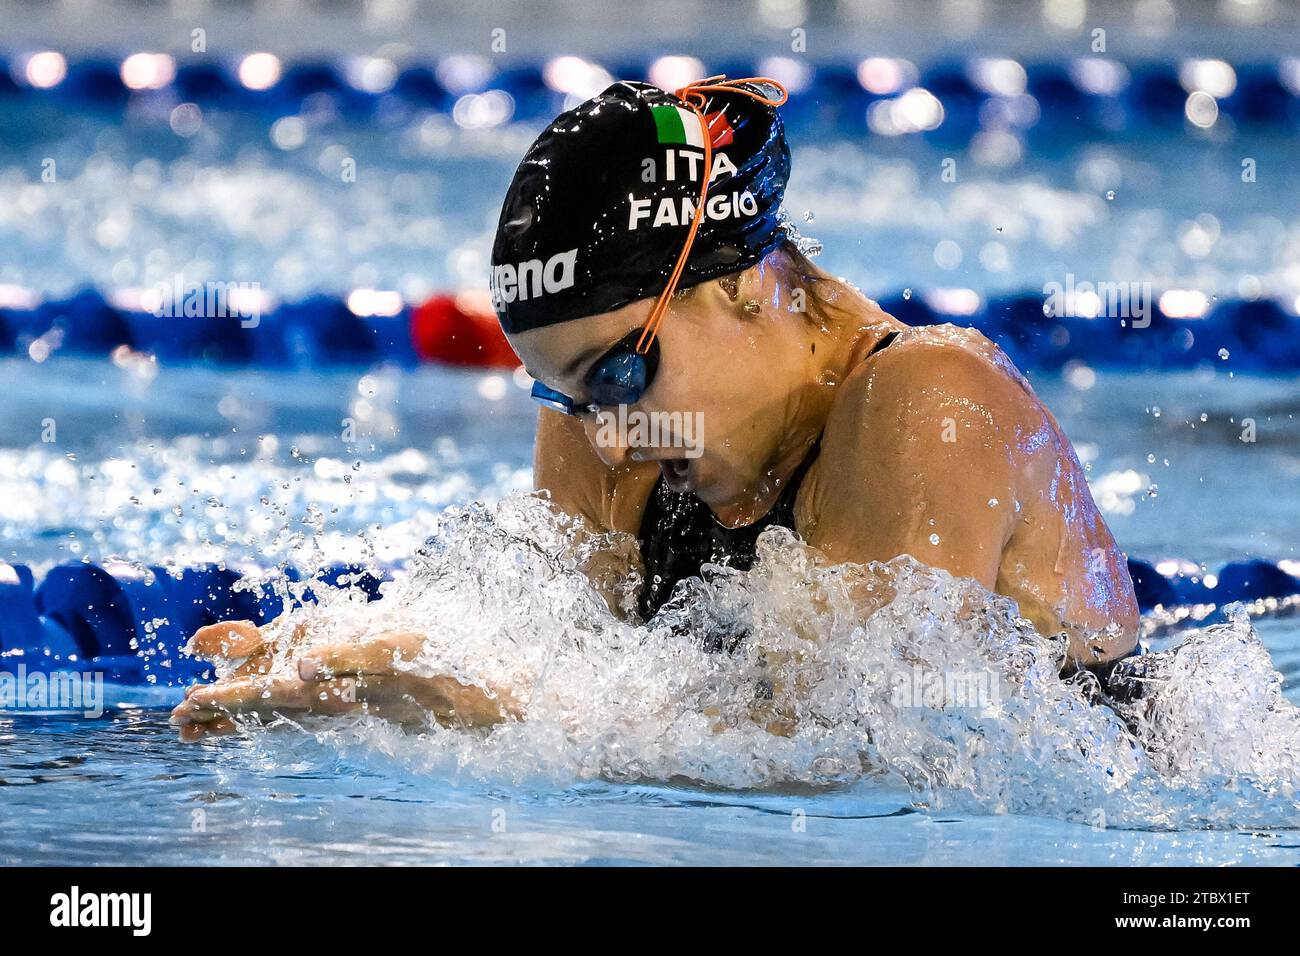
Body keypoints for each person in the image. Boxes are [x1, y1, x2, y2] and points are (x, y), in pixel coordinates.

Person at [171, 75, 1140, 741]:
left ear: (746, 285)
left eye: (619, 375)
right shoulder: (609, 421)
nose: (603, 432)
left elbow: (869, 745)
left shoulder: (930, 397)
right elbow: (554, 651)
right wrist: (357, 667)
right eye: (565, 392)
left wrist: (506, 718)